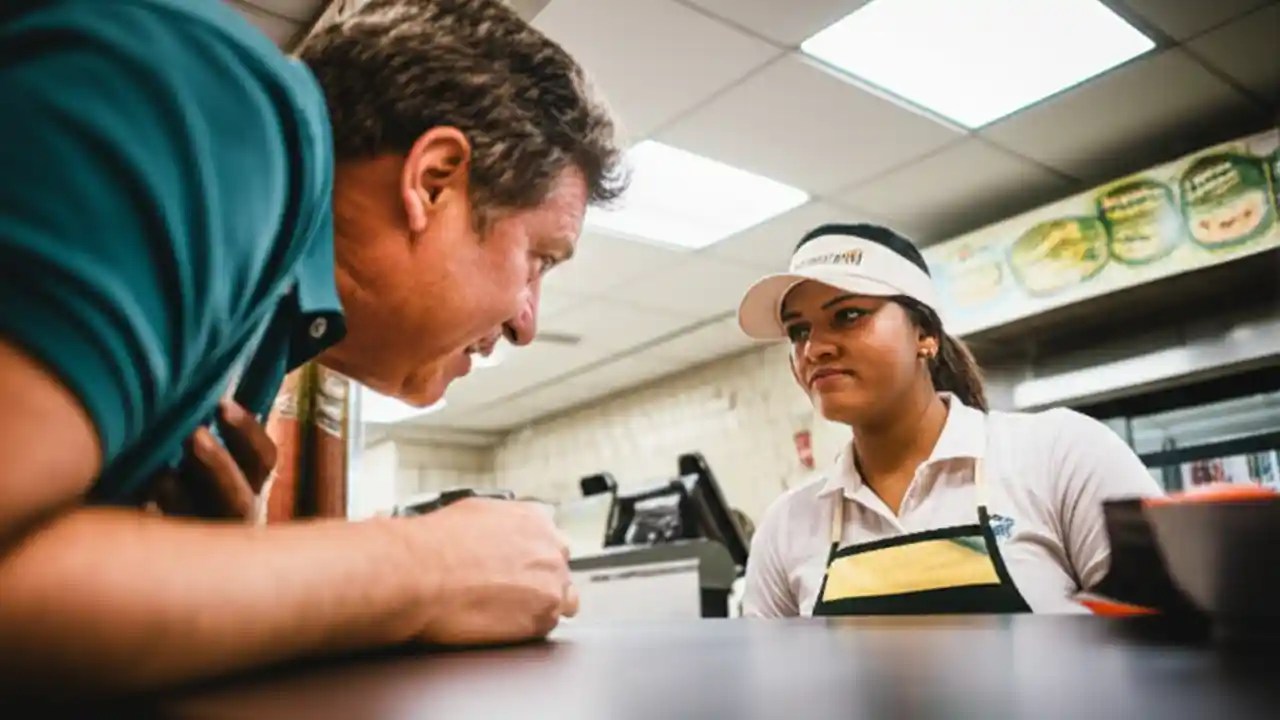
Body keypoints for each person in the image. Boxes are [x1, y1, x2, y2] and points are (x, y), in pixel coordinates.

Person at [0, 0, 625, 695]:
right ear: (433, 181)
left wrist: (211, 563)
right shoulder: (214, 105)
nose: (527, 323)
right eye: (539, 258)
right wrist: (425, 567)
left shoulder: (276, 323)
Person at [735, 223, 1162, 617]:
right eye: (798, 331)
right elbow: (772, 688)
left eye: (847, 315)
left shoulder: (1060, 455)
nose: (815, 349)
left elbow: (1167, 641)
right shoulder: (787, 526)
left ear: (925, 335)